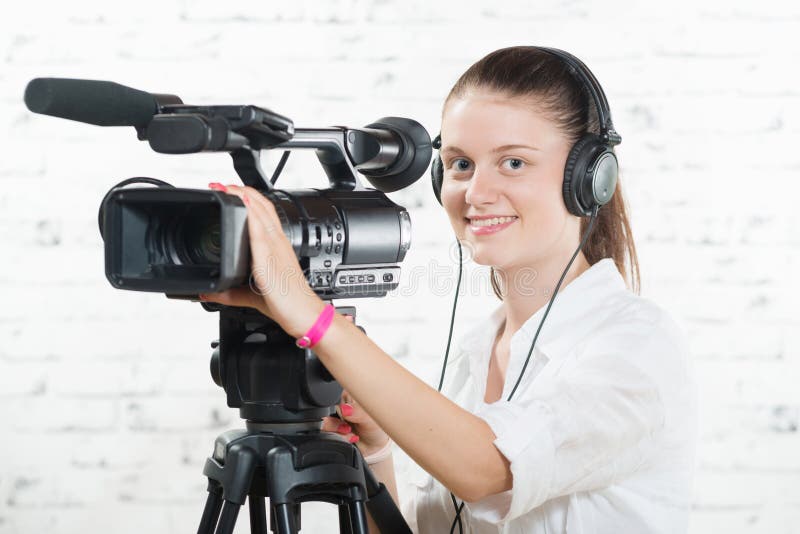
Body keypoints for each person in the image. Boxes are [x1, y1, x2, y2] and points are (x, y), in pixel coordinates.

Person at [200, 46, 699, 533]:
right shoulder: (475, 353)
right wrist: (374, 454)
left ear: (589, 178)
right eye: (460, 164)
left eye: (514, 163)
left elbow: (486, 470)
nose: (476, 194)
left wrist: (311, 317)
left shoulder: (636, 345)